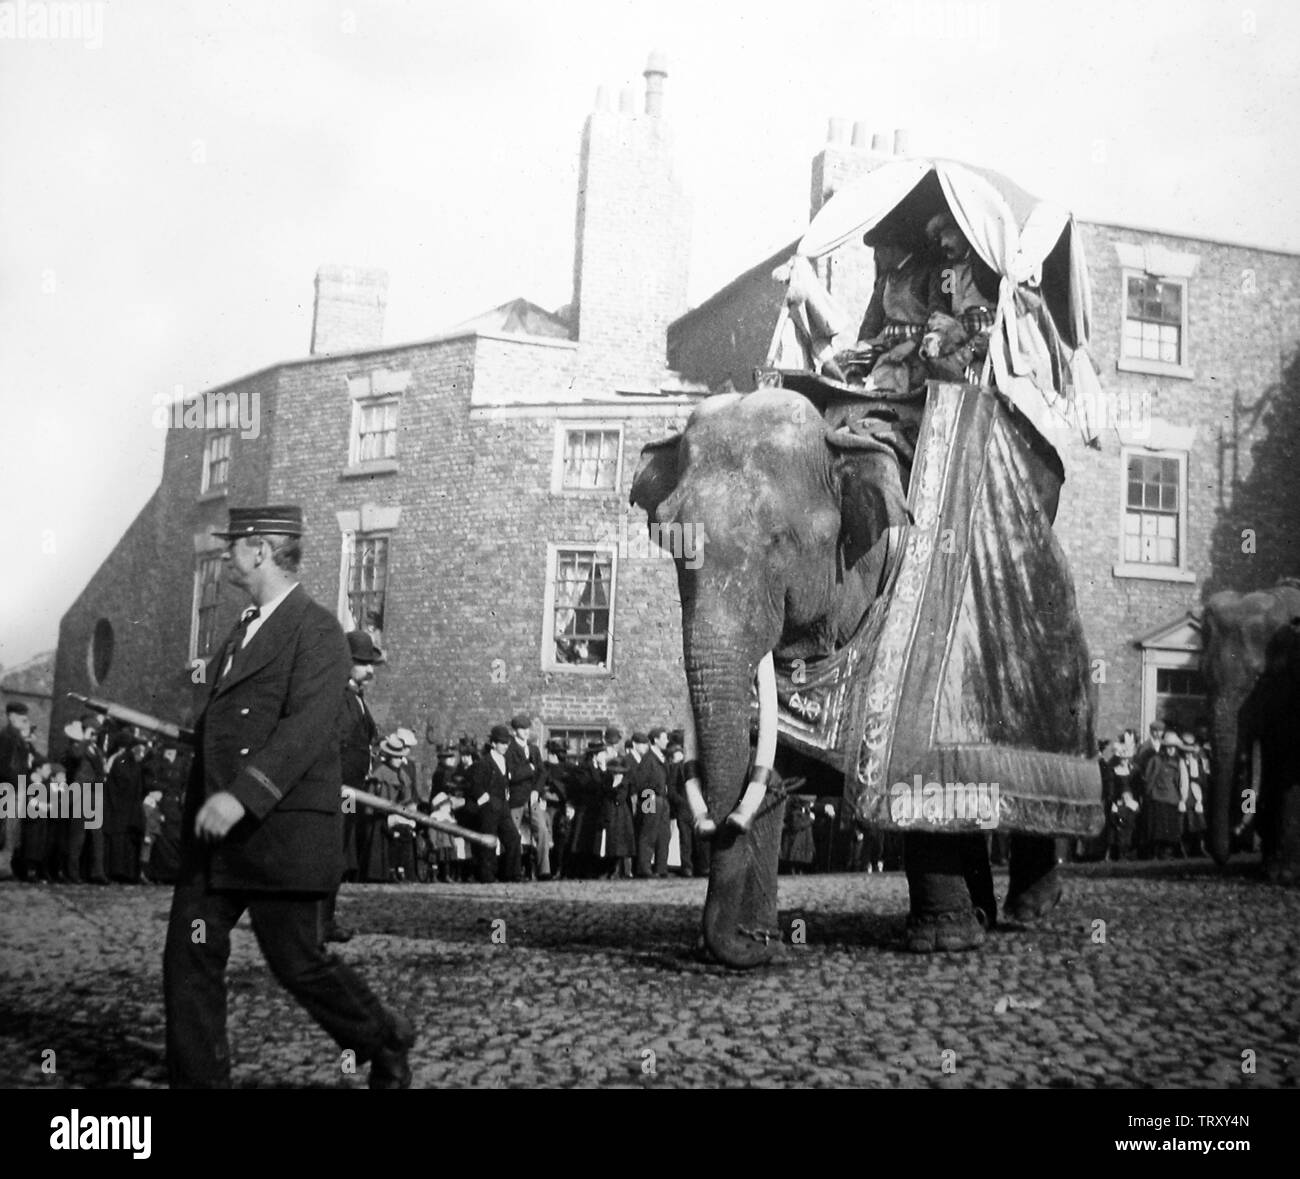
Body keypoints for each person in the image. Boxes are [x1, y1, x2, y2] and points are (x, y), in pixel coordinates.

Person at [162, 504, 414, 1089]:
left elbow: (305, 729)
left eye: (234, 546)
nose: (227, 555)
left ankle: (382, 1036)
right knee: (188, 957)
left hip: (277, 830)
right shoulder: (242, 628)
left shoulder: (317, 629)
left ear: (260, 551)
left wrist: (243, 796)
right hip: (217, 837)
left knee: (298, 963)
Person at [334, 630, 383, 916]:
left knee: (340, 850)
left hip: (353, 787)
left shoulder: (358, 698)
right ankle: (318, 922)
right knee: (332, 852)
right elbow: (335, 743)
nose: (369, 670)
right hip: (339, 787)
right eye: (363, 663)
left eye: (371, 664)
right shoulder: (339, 696)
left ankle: (325, 919)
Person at [471, 724, 522, 883]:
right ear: (493, 743)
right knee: (489, 841)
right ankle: (487, 875)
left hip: (504, 807)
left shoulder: (505, 760)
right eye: (501, 742)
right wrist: (483, 797)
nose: (505, 746)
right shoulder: (484, 762)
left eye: (507, 743)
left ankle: (511, 874)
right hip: (490, 808)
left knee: (513, 837)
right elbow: (476, 784)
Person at [505, 713, 551, 880]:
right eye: (521, 729)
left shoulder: (534, 750)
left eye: (526, 729)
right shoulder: (509, 751)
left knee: (543, 831)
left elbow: (542, 773)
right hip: (516, 800)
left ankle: (544, 870)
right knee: (512, 835)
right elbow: (512, 775)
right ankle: (513, 871)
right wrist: (530, 769)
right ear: (515, 731)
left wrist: (536, 791)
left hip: (532, 800)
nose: (525, 732)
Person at [0, 701, 37, 880]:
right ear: (12, 716)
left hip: (17, 788)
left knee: (11, 831)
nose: (26, 721)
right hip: (10, 789)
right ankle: (3, 867)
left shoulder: (16, 737)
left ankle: (6, 866)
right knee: (7, 829)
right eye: (23, 718)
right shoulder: (7, 736)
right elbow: (5, 766)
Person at [1142, 731, 1188, 860]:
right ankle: (1155, 853)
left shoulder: (1180, 763)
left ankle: (1167, 853)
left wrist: (1182, 799)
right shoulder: (1156, 760)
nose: (1170, 750)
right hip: (1157, 798)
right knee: (1157, 829)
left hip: (1172, 799)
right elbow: (1148, 778)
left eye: (1173, 748)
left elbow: (1183, 782)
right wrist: (1149, 794)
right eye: (1168, 747)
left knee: (1170, 829)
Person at [632, 728, 671, 877]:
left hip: (662, 799)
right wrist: (650, 799)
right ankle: (644, 868)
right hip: (650, 797)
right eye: (664, 738)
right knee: (648, 833)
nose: (667, 741)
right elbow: (641, 783)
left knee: (664, 835)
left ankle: (661, 868)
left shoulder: (661, 758)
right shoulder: (648, 759)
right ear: (655, 740)